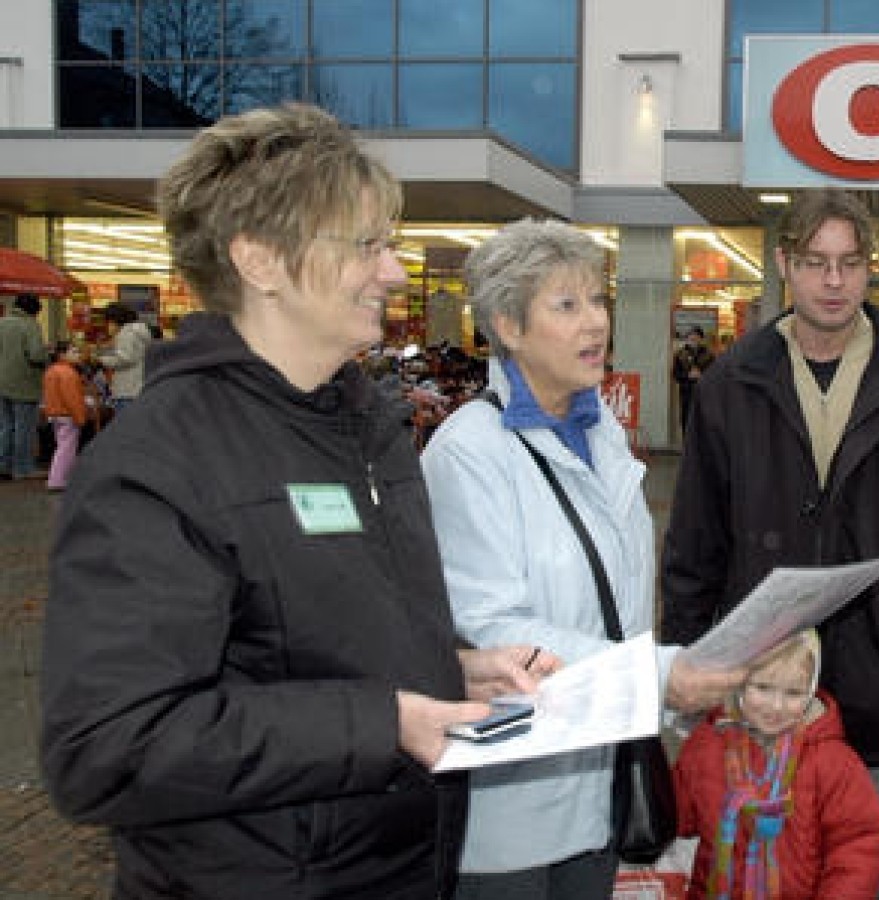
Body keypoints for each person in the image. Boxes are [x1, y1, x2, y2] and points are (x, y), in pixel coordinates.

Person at [39, 103, 549, 900]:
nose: (394, 271)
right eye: (367, 245)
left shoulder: (369, 428)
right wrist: (387, 723)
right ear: (260, 260)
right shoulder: (155, 465)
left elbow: (299, 647)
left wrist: (445, 672)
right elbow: (108, 747)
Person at [660, 186, 879, 900]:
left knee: (857, 870)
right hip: (755, 689)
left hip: (874, 683)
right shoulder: (732, 380)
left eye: (849, 262)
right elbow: (695, 540)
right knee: (745, 871)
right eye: (814, 262)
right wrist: (686, 667)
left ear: (872, 267)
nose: (833, 281)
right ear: (784, 264)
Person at [419, 218, 745, 900]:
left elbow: (619, 608)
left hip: (598, 787)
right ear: (508, 326)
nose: (595, 321)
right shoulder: (468, 451)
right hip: (508, 805)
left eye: (598, 299)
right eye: (567, 305)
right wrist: (659, 676)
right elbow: (491, 626)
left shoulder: (602, 437)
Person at [674, 630, 879, 900]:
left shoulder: (832, 761)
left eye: (794, 693)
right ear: (739, 682)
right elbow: (674, 816)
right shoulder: (707, 745)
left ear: (812, 691)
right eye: (763, 687)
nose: (776, 706)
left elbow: (860, 843)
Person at [0, 293, 48, 480]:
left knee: (5, 427)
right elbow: (36, 355)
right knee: (24, 428)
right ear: (34, 310)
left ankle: (4, 465)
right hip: (24, 385)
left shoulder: (2, 322)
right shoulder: (30, 325)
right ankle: (22, 469)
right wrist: (46, 353)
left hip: (2, 383)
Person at [40, 341, 88, 492]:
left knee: (62, 446)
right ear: (62, 355)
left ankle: (61, 478)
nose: (78, 355)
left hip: (55, 413)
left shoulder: (51, 370)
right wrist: (80, 417)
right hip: (68, 415)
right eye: (74, 352)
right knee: (66, 448)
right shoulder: (68, 373)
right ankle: (57, 480)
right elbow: (72, 399)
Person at [98, 300, 154, 409]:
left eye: (108, 322)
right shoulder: (136, 332)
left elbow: (124, 358)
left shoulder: (126, 333)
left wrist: (100, 360)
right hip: (136, 388)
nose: (107, 326)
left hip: (127, 390)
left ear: (114, 320)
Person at [672, 324, 716, 438]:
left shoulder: (709, 355)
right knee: (686, 418)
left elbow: (715, 374)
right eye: (691, 337)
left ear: (701, 339)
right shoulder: (680, 354)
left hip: (704, 393)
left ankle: (701, 446)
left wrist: (702, 375)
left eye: (696, 337)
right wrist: (687, 375)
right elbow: (675, 374)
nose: (693, 339)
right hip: (686, 392)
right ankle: (687, 445)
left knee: (702, 419)